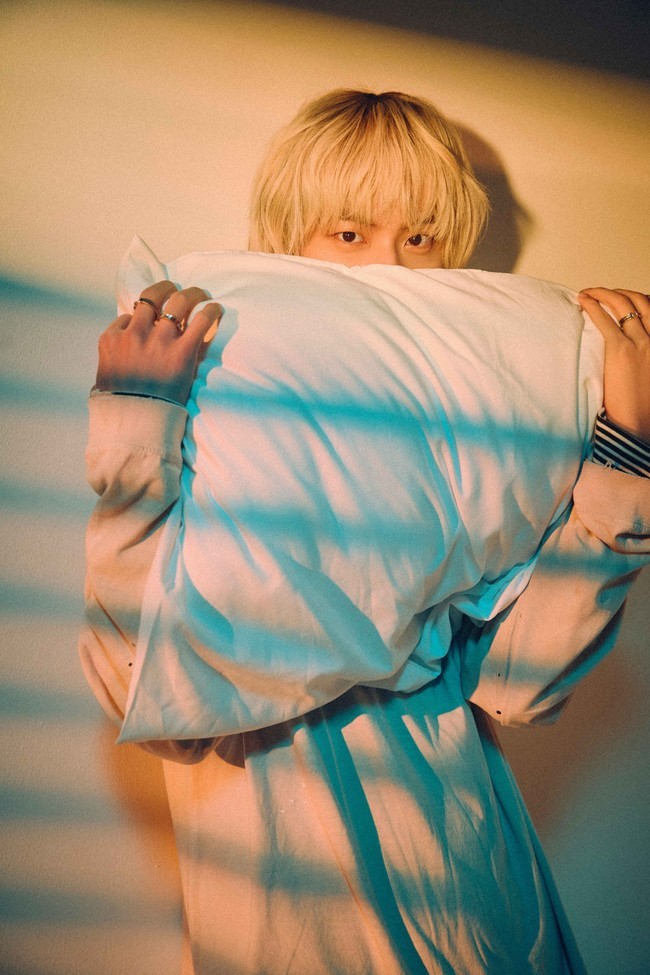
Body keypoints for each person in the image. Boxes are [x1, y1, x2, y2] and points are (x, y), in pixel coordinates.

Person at [80, 90, 650, 975]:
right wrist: (136, 422)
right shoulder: (217, 431)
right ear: (287, 241)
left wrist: (626, 454)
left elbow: (519, 685)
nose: (388, 267)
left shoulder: (466, 454)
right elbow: (140, 687)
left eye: (420, 240)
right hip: (293, 939)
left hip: (490, 922)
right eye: (348, 232)